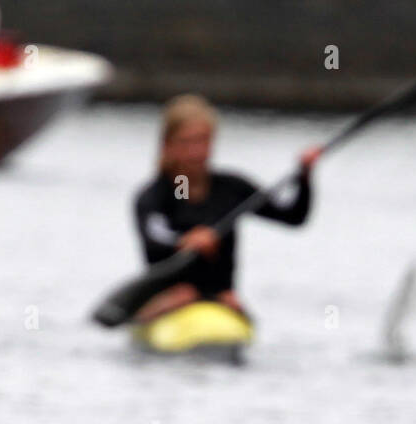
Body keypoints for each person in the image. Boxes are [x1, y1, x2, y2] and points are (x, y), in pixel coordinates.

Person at [133, 94, 321, 321]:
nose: (196, 152)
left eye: (202, 141)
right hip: (172, 296)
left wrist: (304, 176)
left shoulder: (232, 189)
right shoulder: (153, 196)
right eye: (186, 142)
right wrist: (185, 241)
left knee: (228, 300)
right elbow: (154, 238)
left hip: (221, 298)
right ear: (168, 145)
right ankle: (148, 313)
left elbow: (293, 217)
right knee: (184, 294)